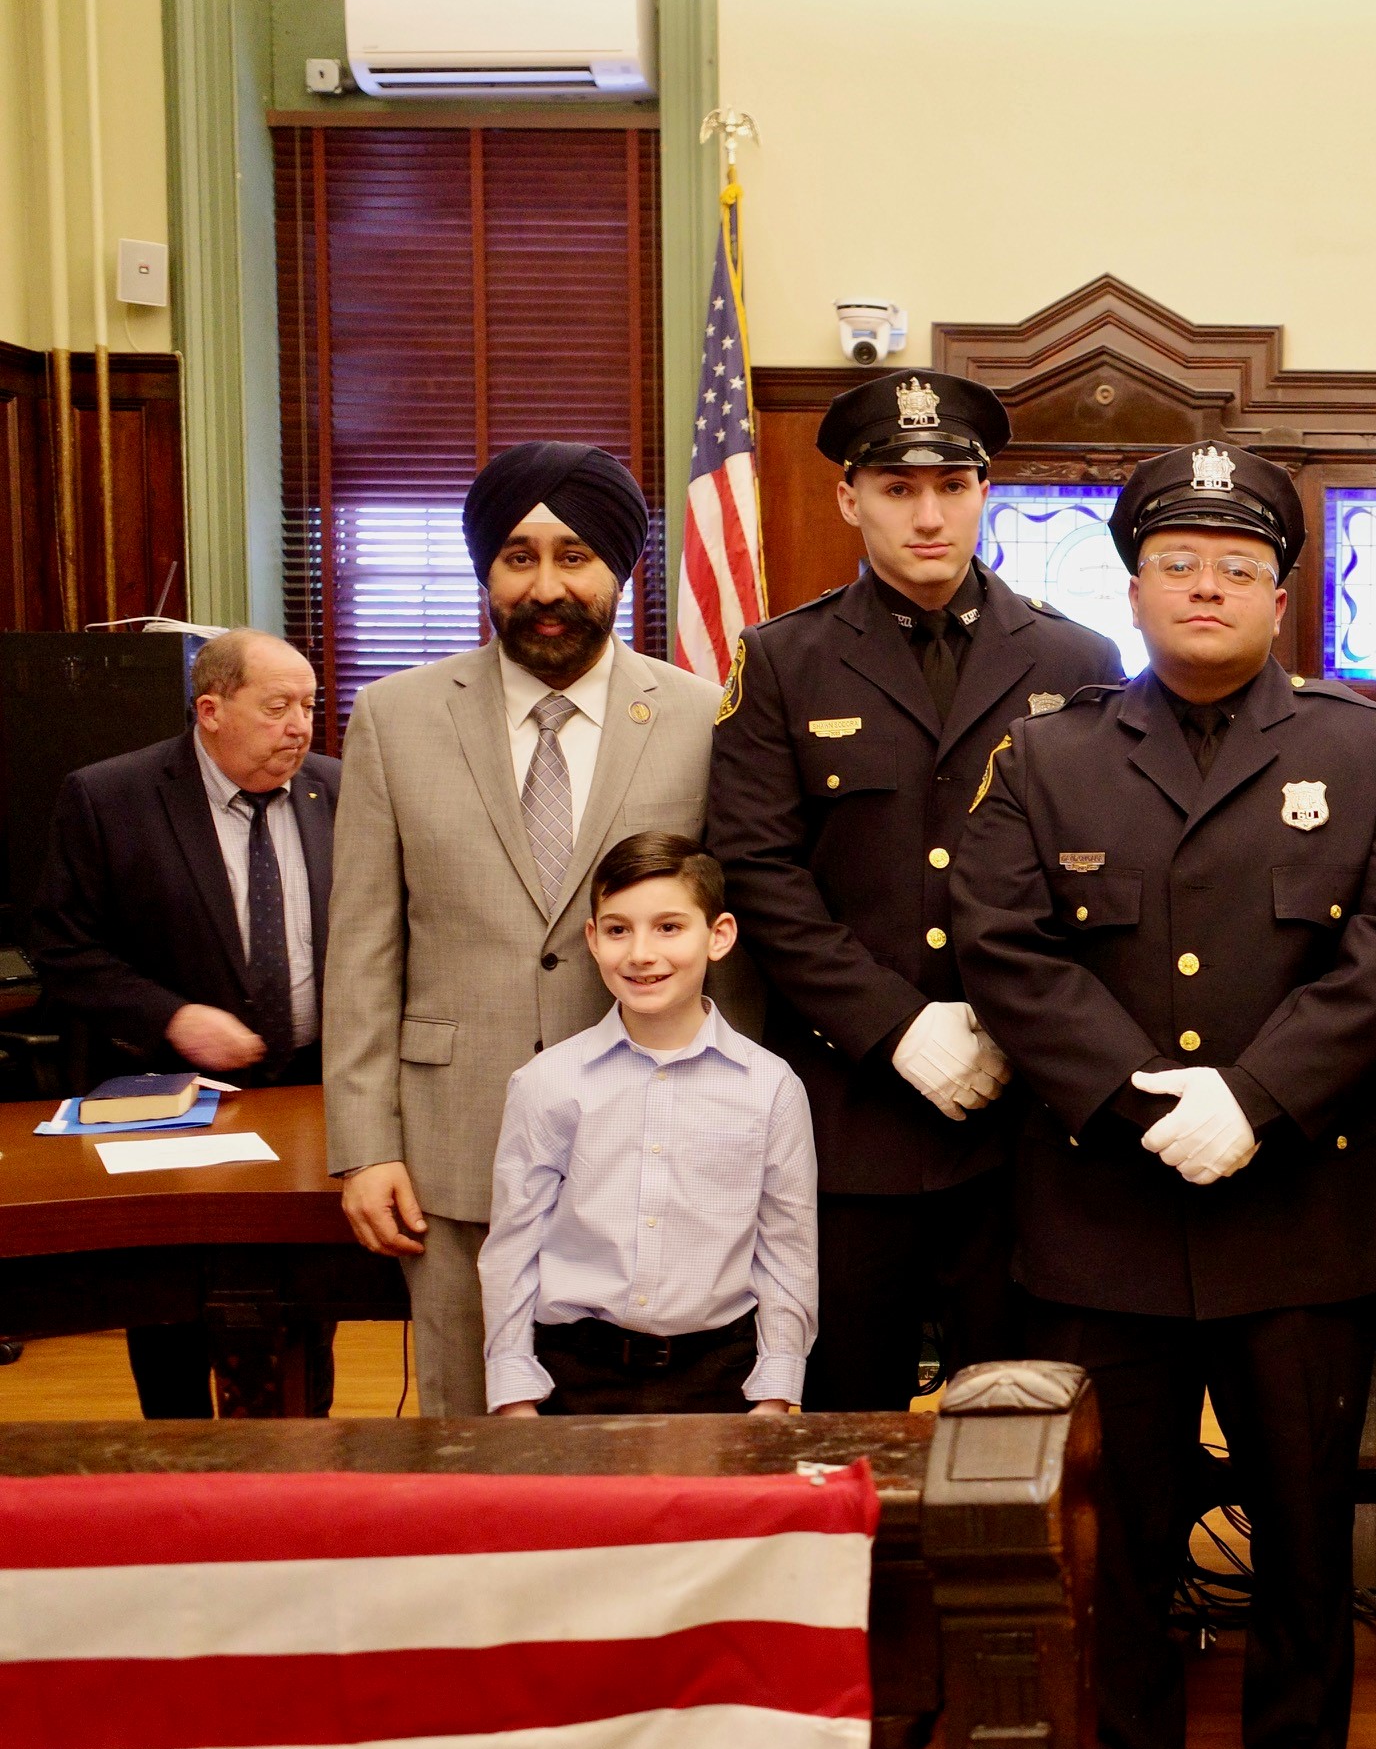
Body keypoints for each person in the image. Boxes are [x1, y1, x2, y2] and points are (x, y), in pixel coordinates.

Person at [953, 442, 1376, 1749]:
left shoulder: (1373, 752)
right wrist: (1124, 1096)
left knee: (1305, 1531)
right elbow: (1002, 944)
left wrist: (1259, 1098)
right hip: (1103, 1217)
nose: (1209, 586)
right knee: (1119, 1537)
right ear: (1135, 586)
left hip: (1298, 1209)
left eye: (1240, 566)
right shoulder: (1046, 755)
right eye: (1181, 563)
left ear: (1284, 595)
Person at [708, 368, 1123, 1412]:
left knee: (1021, 1429)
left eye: (953, 483)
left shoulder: (1079, 658)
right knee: (848, 1417)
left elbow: (1104, 875)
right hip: (853, 1119)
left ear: (987, 490)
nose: (928, 513)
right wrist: (896, 1026)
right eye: (897, 487)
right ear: (849, 496)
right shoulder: (782, 661)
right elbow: (759, 874)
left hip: (1027, 1122)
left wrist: (1015, 1022)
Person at [325, 441, 727, 1421]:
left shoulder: (702, 716)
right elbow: (364, 945)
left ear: (621, 568)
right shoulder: (393, 716)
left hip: (656, 1145)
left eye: (575, 555)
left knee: (645, 1440)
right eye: (517, 556)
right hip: (456, 1149)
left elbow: (731, 947)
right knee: (470, 1434)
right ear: (486, 571)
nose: (547, 584)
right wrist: (363, 1143)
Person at [28, 625, 342, 1416]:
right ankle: (182, 1476)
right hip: (171, 1098)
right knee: (172, 1308)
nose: (300, 726)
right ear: (211, 710)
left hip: (311, 1091)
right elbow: (62, 951)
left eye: (309, 704)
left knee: (306, 1305)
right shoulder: (108, 798)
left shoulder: (339, 792)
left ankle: (302, 1468)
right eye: (277, 707)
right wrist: (172, 1017)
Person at [480, 832, 816, 1416]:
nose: (640, 953)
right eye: (617, 929)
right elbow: (514, 1245)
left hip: (722, 1376)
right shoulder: (546, 1083)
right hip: (574, 1375)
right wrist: (514, 1395)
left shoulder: (771, 1088)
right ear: (592, 939)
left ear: (719, 936)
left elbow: (786, 1248)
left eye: (668, 927)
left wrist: (777, 1391)